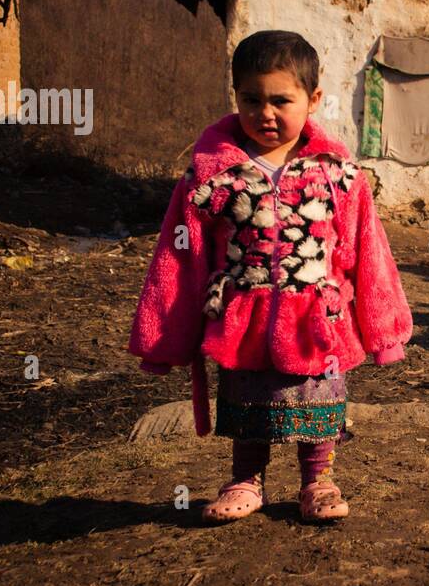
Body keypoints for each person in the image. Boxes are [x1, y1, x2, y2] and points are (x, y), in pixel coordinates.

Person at [129, 30, 413, 523]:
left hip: (317, 321)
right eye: (251, 99)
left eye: (281, 100)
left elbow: (368, 251)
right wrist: (163, 341)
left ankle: (317, 481)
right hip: (242, 317)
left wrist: (384, 333)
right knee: (246, 399)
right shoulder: (211, 177)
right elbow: (178, 259)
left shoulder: (338, 174)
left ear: (313, 99)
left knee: (319, 401)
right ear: (235, 95)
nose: (266, 113)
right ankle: (245, 480)